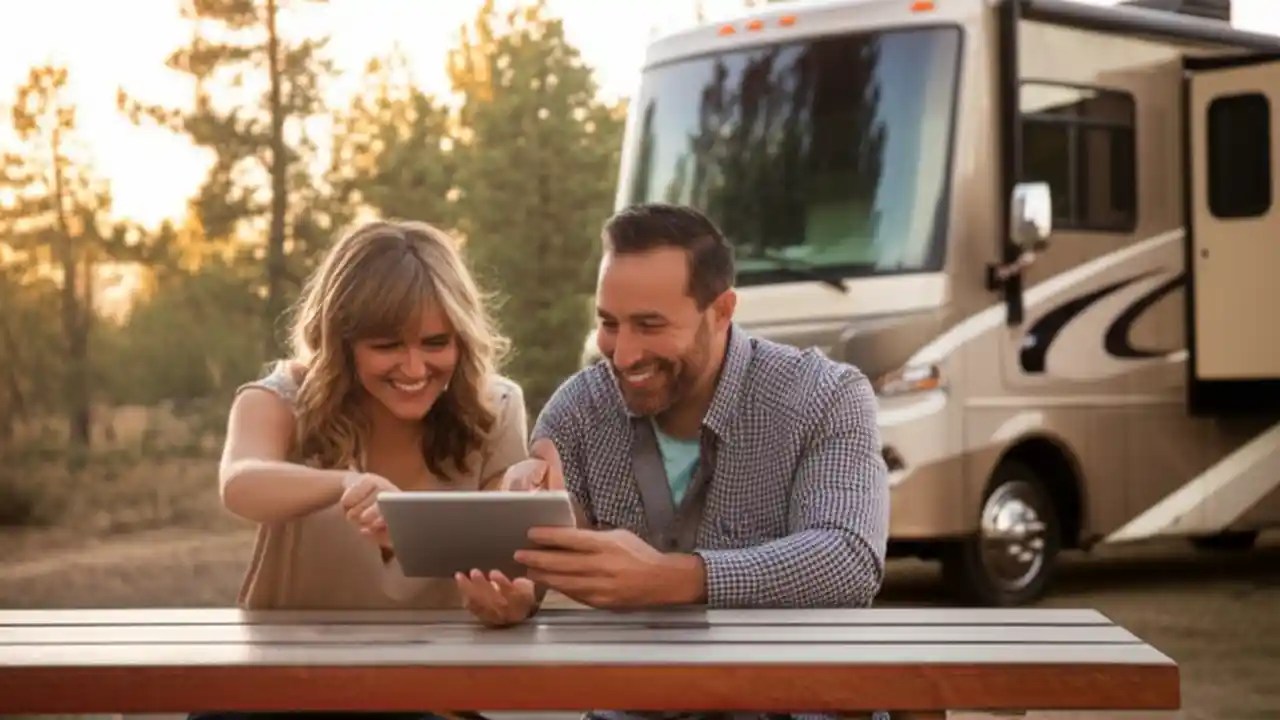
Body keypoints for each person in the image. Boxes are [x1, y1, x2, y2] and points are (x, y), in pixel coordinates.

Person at [506, 202, 890, 611]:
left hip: (772, 673)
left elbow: (849, 561)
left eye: (649, 325)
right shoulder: (575, 411)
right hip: (619, 674)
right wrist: (515, 588)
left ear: (721, 311)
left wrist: (672, 578)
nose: (622, 356)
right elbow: (533, 571)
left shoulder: (825, 397)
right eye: (609, 324)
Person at [218, 218, 539, 630]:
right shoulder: (278, 399)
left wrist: (513, 600)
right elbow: (240, 484)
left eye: (436, 343)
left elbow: (508, 556)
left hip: (444, 675)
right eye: (387, 346)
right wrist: (347, 484)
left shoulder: (495, 407)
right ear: (341, 343)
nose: (414, 368)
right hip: (294, 672)